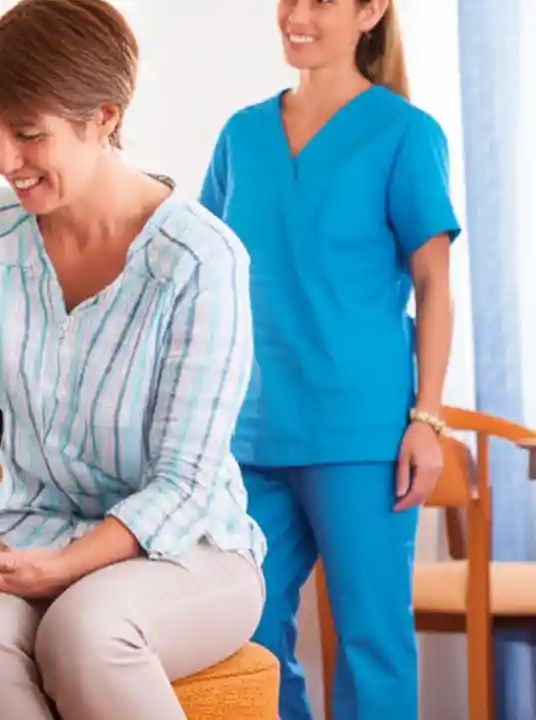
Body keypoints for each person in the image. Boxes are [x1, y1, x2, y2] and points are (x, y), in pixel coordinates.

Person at [0, 2, 267, 718]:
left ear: (105, 118)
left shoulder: (201, 260)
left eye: (28, 134)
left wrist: (58, 570)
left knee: (86, 629)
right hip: (32, 529)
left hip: (189, 551)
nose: (5, 159)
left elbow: (185, 481)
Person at [198, 1, 459, 718]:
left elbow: (435, 286)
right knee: (240, 638)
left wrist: (427, 420)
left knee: (371, 640)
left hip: (362, 433)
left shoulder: (405, 134)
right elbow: (204, 280)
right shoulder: (241, 136)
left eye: (321, 0)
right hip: (249, 435)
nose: (296, 15)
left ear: (371, 10)